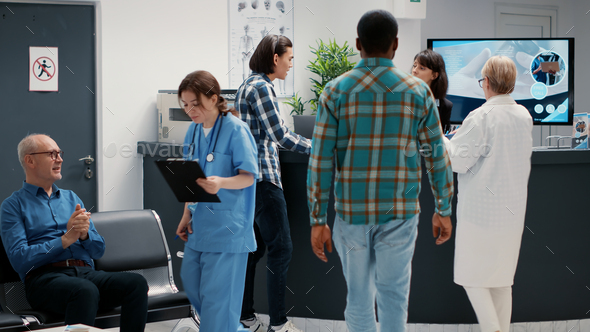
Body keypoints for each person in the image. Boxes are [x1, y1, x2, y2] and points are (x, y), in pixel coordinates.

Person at [307, 10, 454, 332]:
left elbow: (320, 160)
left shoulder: (335, 91)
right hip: (399, 213)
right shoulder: (418, 92)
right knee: (394, 296)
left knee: (358, 298)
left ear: (358, 43)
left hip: (350, 213)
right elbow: (436, 155)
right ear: (396, 44)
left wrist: (317, 219)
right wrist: (443, 208)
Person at [0, 134, 148, 331]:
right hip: (45, 280)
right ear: (30, 160)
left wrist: (85, 235)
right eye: (51, 154)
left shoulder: (71, 198)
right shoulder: (13, 206)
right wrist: (65, 239)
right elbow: (20, 258)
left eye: (59, 153)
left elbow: (98, 251)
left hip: (86, 274)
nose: (59, 159)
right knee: (84, 291)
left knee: (135, 283)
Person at [443, 56, 533, 332]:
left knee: (473, 277)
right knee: (501, 280)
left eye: (482, 81)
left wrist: (443, 138)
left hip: (480, 213)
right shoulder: (523, 115)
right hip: (512, 211)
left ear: (489, 83)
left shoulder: (481, 116)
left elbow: (457, 161)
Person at [235, 34, 311, 332]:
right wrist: (318, 147)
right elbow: (280, 136)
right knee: (281, 249)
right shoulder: (263, 88)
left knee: (253, 251)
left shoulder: (246, 85)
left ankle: (246, 316)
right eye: (289, 58)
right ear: (275, 58)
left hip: (249, 180)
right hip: (265, 179)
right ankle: (278, 324)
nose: (291, 64)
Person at [175, 70, 258, 332]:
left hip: (229, 230)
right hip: (200, 227)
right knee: (192, 282)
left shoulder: (237, 130)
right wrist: (186, 214)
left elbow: (248, 178)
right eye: (185, 105)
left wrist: (221, 182)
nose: (189, 110)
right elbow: (192, 178)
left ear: (213, 98)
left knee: (218, 304)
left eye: (194, 104)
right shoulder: (193, 131)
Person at [412, 49, 453, 133]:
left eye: (422, 68)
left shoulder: (445, 106)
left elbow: (442, 135)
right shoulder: (405, 97)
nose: (414, 70)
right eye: (414, 65)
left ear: (434, 75)